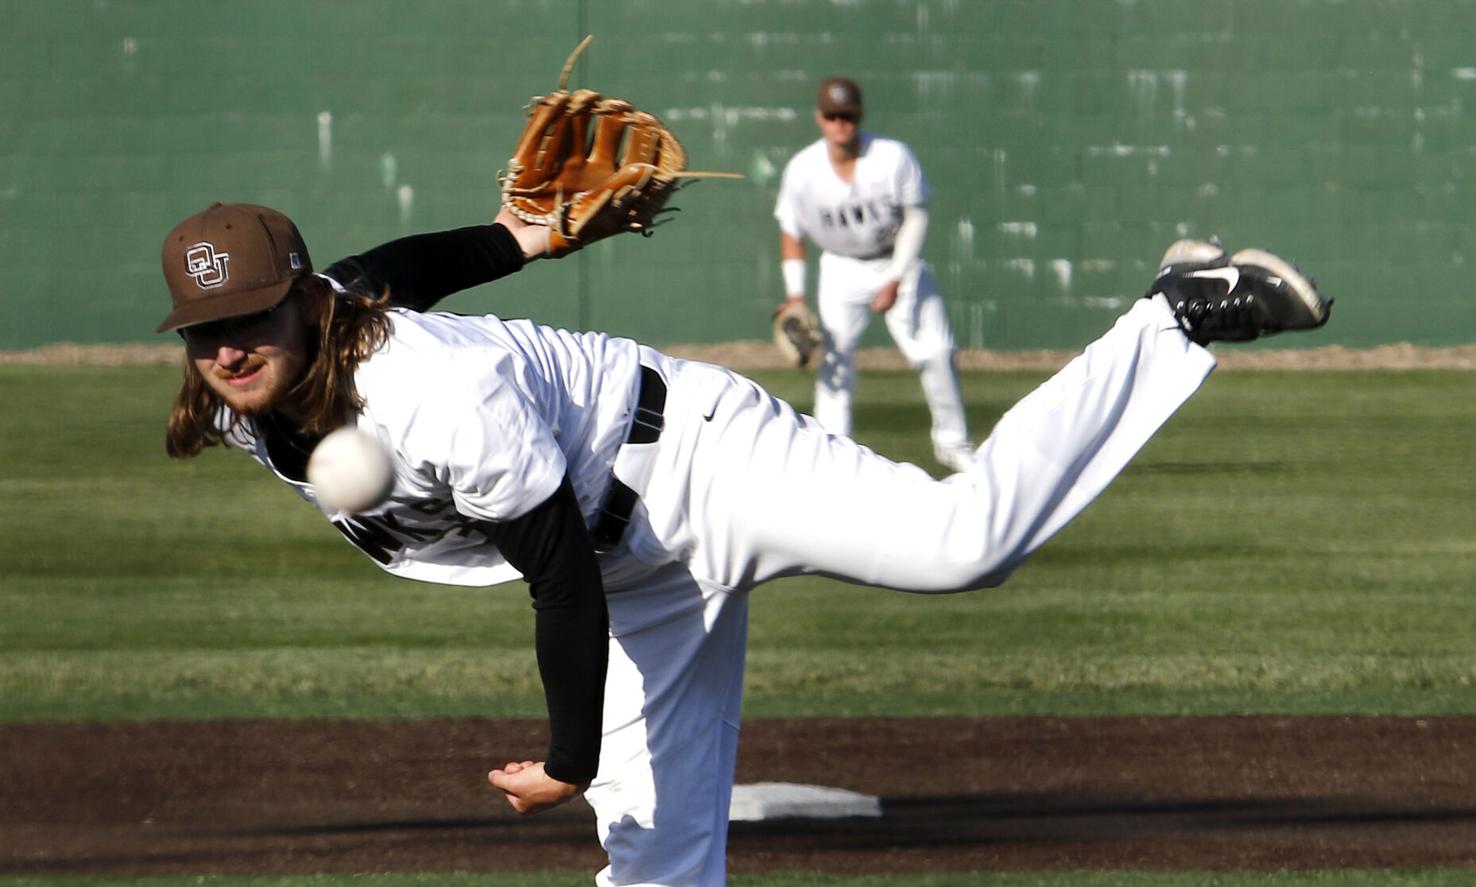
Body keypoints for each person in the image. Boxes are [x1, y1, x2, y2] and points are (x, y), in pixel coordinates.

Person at [158, 200, 1330, 886]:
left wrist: (568, 757)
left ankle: (1175, 314)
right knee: (654, 858)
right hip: (629, 562)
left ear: (303, 302)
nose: (229, 347)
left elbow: (554, 572)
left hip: (703, 462)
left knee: (962, 542)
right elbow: (394, 270)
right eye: (206, 329)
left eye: (251, 315)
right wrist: (514, 235)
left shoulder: (437, 394)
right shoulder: (244, 387)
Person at [774, 76, 976, 473]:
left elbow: (916, 218)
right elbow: (791, 231)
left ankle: (953, 444)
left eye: (847, 115)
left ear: (860, 116)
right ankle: (832, 457)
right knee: (835, 364)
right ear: (820, 118)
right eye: (832, 116)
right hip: (840, 267)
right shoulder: (803, 169)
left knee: (936, 353)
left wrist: (895, 278)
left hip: (897, 260)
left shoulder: (891, 157)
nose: (840, 124)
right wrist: (795, 295)